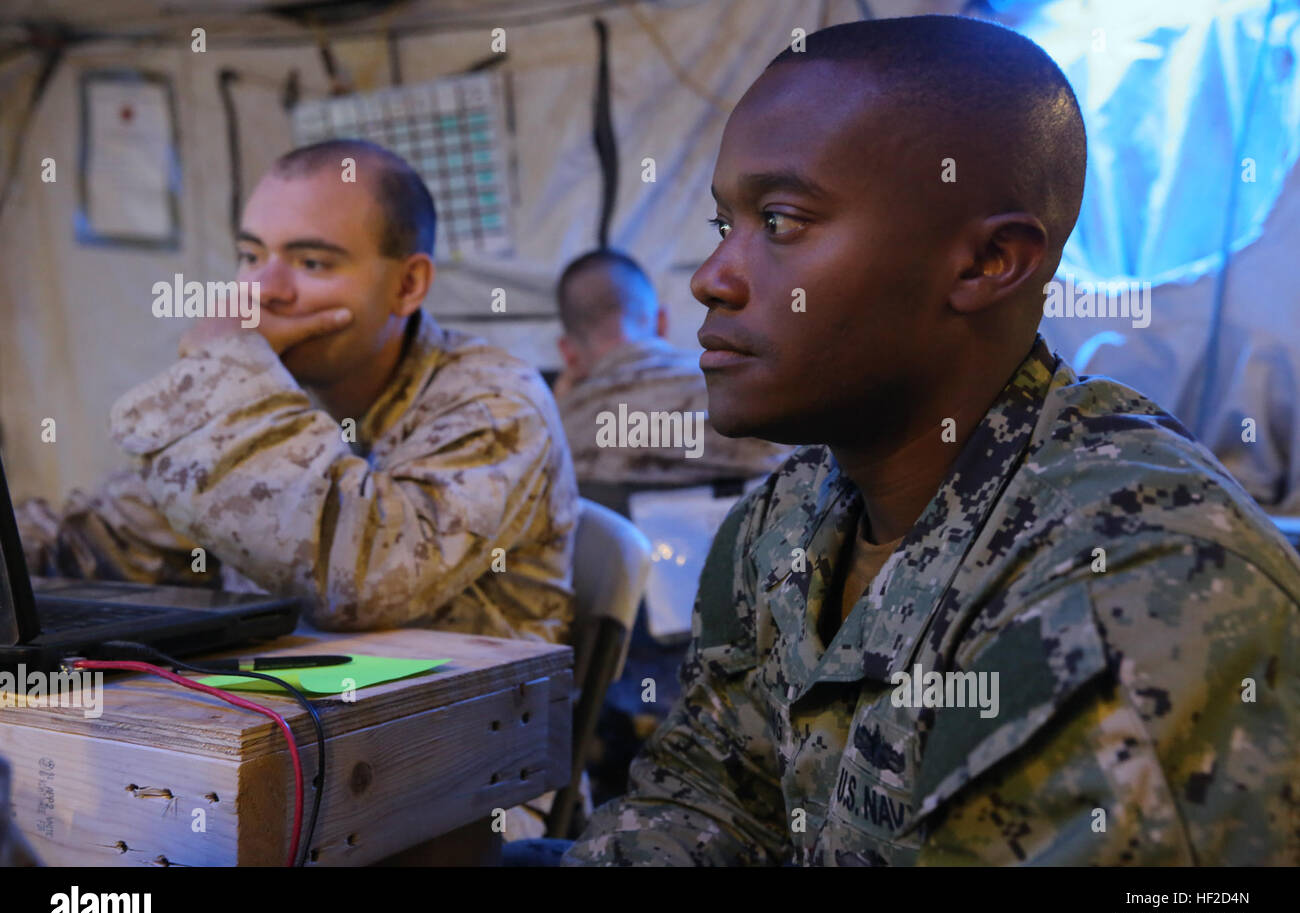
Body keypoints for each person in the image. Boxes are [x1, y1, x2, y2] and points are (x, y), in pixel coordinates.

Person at [564, 16, 1300, 866]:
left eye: (780, 219)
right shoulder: (783, 523)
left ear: (989, 262)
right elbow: (706, 804)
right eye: (720, 224)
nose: (712, 277)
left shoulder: (1139, 591)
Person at [19, 139, 577, 647]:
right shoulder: (275, 391)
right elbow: (102, 546)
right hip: (290, 733)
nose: (264, 291)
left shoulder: (499, 402)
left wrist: (227, 373)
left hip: (456, 746)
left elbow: (360, 579)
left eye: (312, 263)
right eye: (251, 257)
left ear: (407, 285)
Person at [553, 248, 788, 488]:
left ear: (568, 353)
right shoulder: (750, 396)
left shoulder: (556, 440)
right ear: (662, 322)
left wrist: (556, 407)